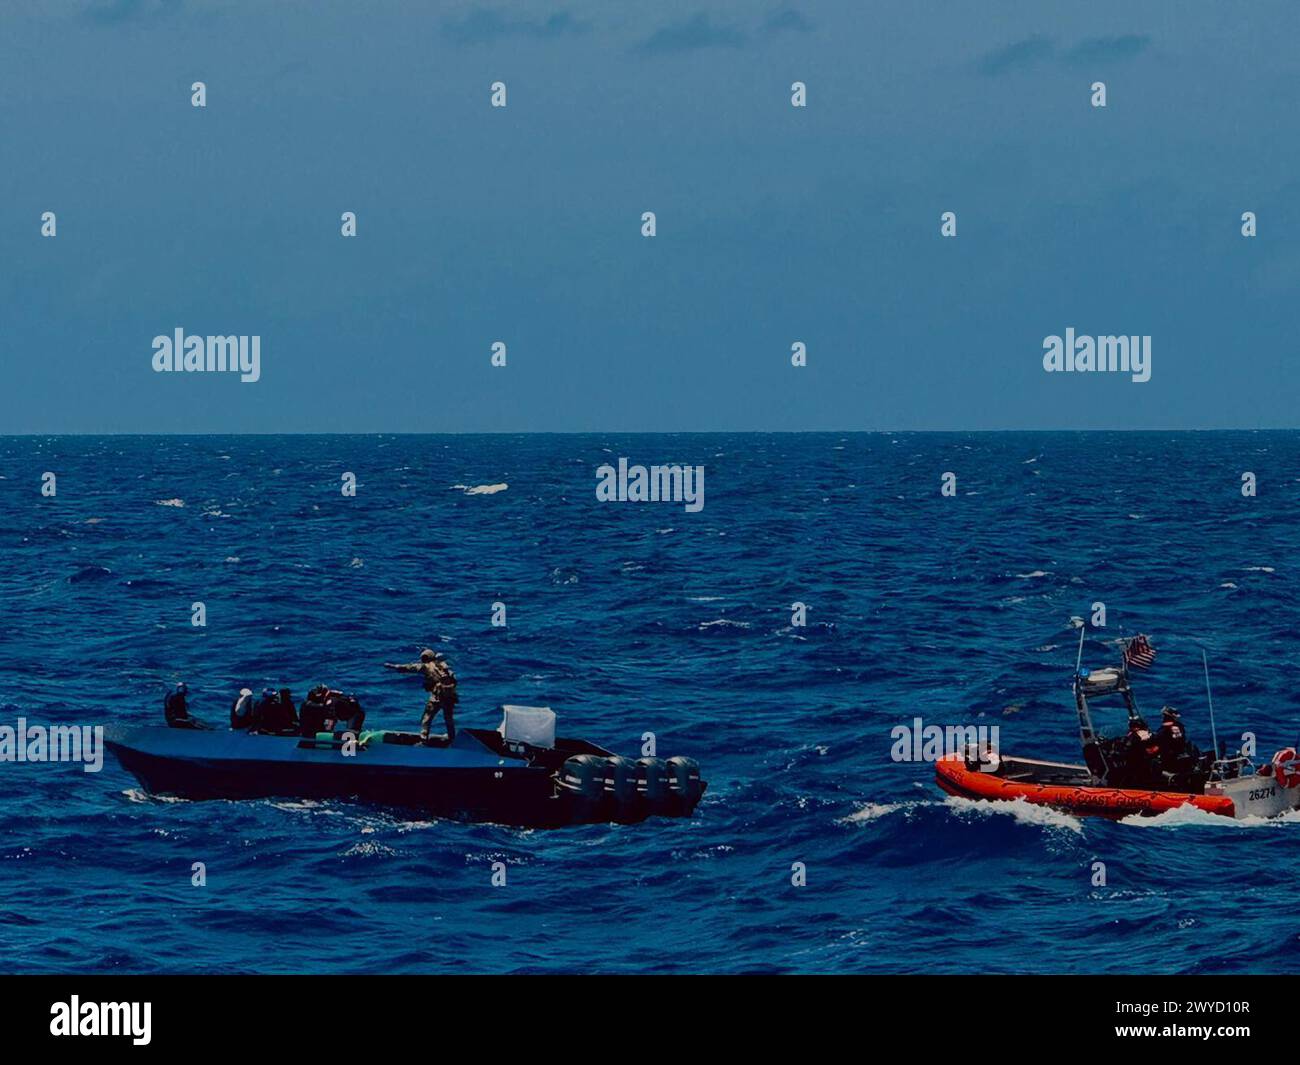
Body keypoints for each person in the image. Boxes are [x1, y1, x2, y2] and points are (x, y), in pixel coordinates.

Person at [384, 649, 457, 742]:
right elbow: (454, 679)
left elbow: (409, 667)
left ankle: (423, 739)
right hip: (450, 697)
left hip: (437, 697)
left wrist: (393, 666)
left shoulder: (426, 666)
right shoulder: (444, 666)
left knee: (427, 718)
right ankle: (452, 738)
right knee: (448, 719)